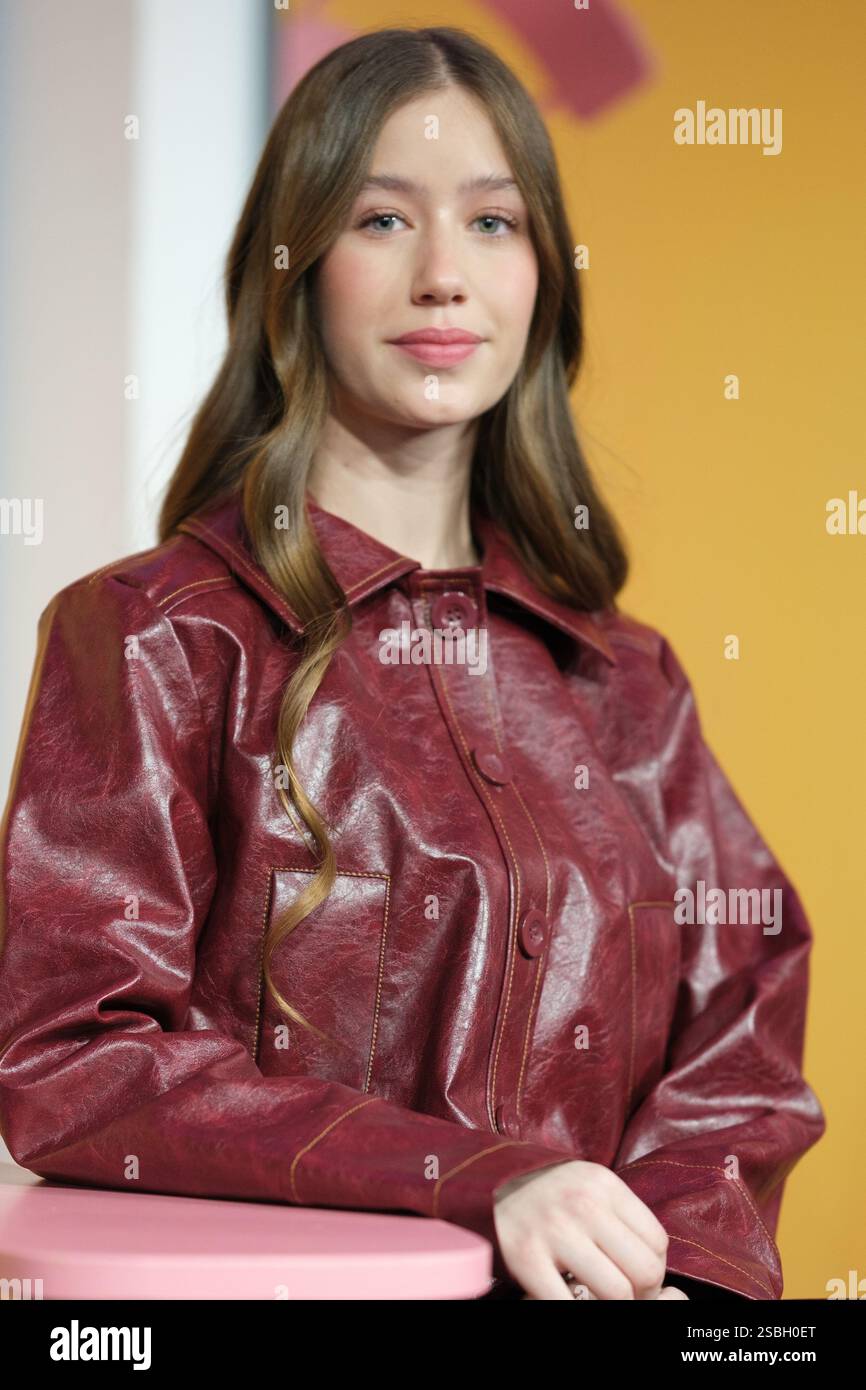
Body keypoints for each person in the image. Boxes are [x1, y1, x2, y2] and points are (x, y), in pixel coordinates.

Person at [0, 26, 824, 1302]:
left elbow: (744, 1010)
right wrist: (477, 1174)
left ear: (543, 276)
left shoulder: (625, 680)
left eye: (493, 224)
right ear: (294, 267)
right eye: (381, 221)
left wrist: (683, 1276)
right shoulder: (155, 635)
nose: (445, 275)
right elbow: (75, 1058)